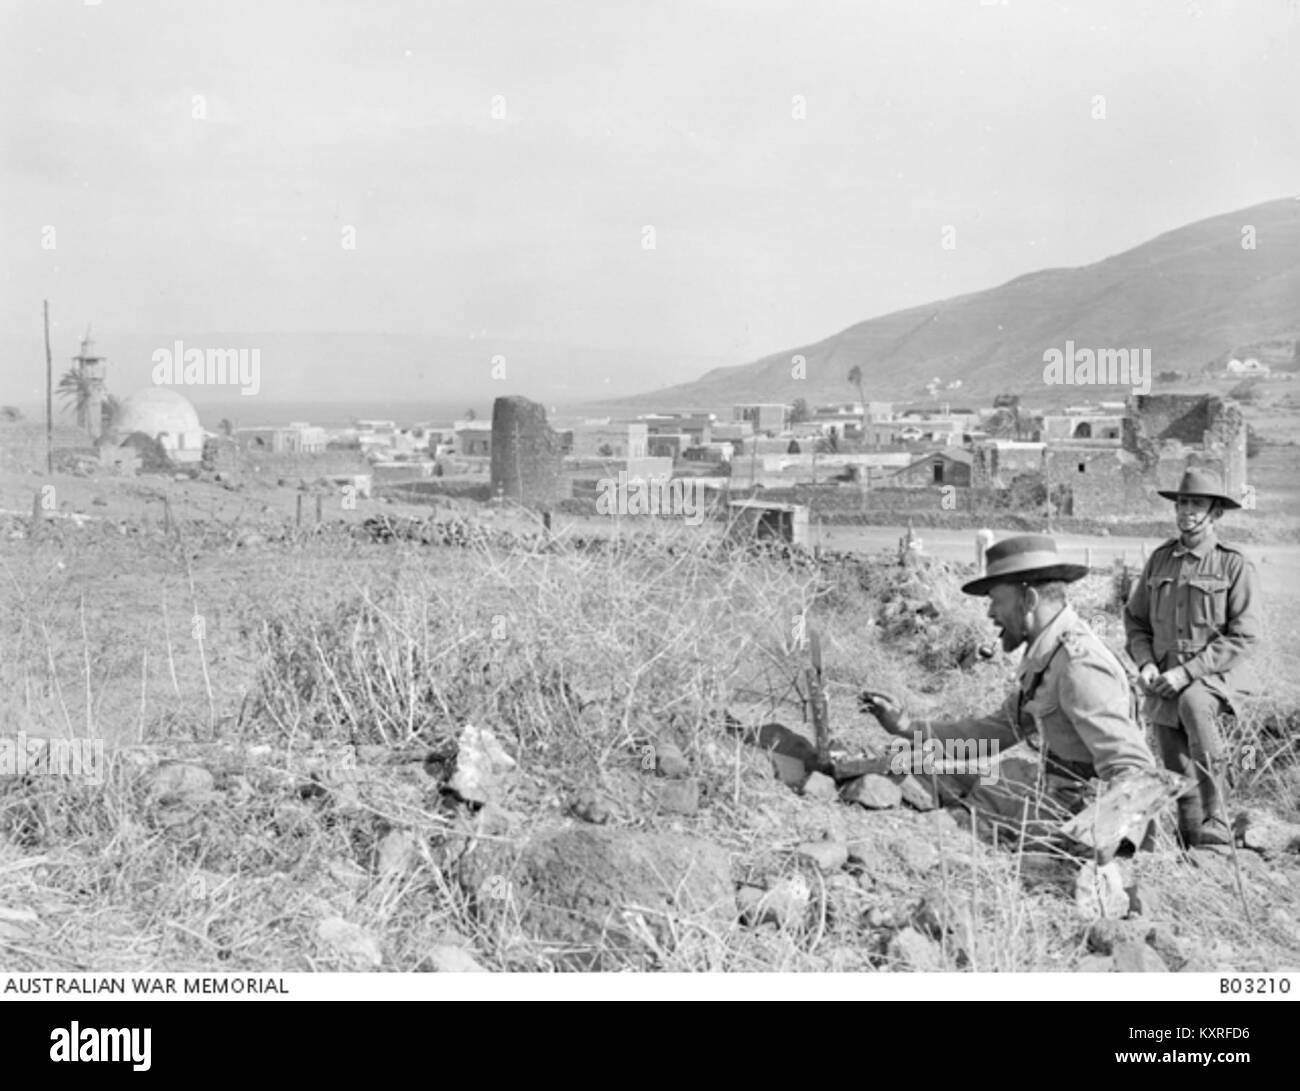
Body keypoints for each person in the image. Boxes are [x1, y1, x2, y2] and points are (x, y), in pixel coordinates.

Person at [861, 534, 1157, 847]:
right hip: (1054, 789)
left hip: (1075, 816)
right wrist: (907, 728)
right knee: (990, 776)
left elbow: (1136, 772)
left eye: (995, 601)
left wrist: (1094, 852)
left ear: (1028, 600)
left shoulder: (1077, 667)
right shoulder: (1049, 656)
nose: (990, 614)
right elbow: (993, 734)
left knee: (969, 813)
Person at [1123, 468, 1259, 849]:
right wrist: (1146, 662)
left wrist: (1188, 673)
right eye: (1182, 502)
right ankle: (1191, 847)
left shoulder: (1233, 564)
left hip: (1215, 679)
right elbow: (1135, 620)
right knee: (1175, 767)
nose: (1186, 510)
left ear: (1215, 512)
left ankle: (1218, 814)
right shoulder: (1160, 560)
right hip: (1164, 679)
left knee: (1193, 702)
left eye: (1196, 503)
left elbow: (1245, 635)